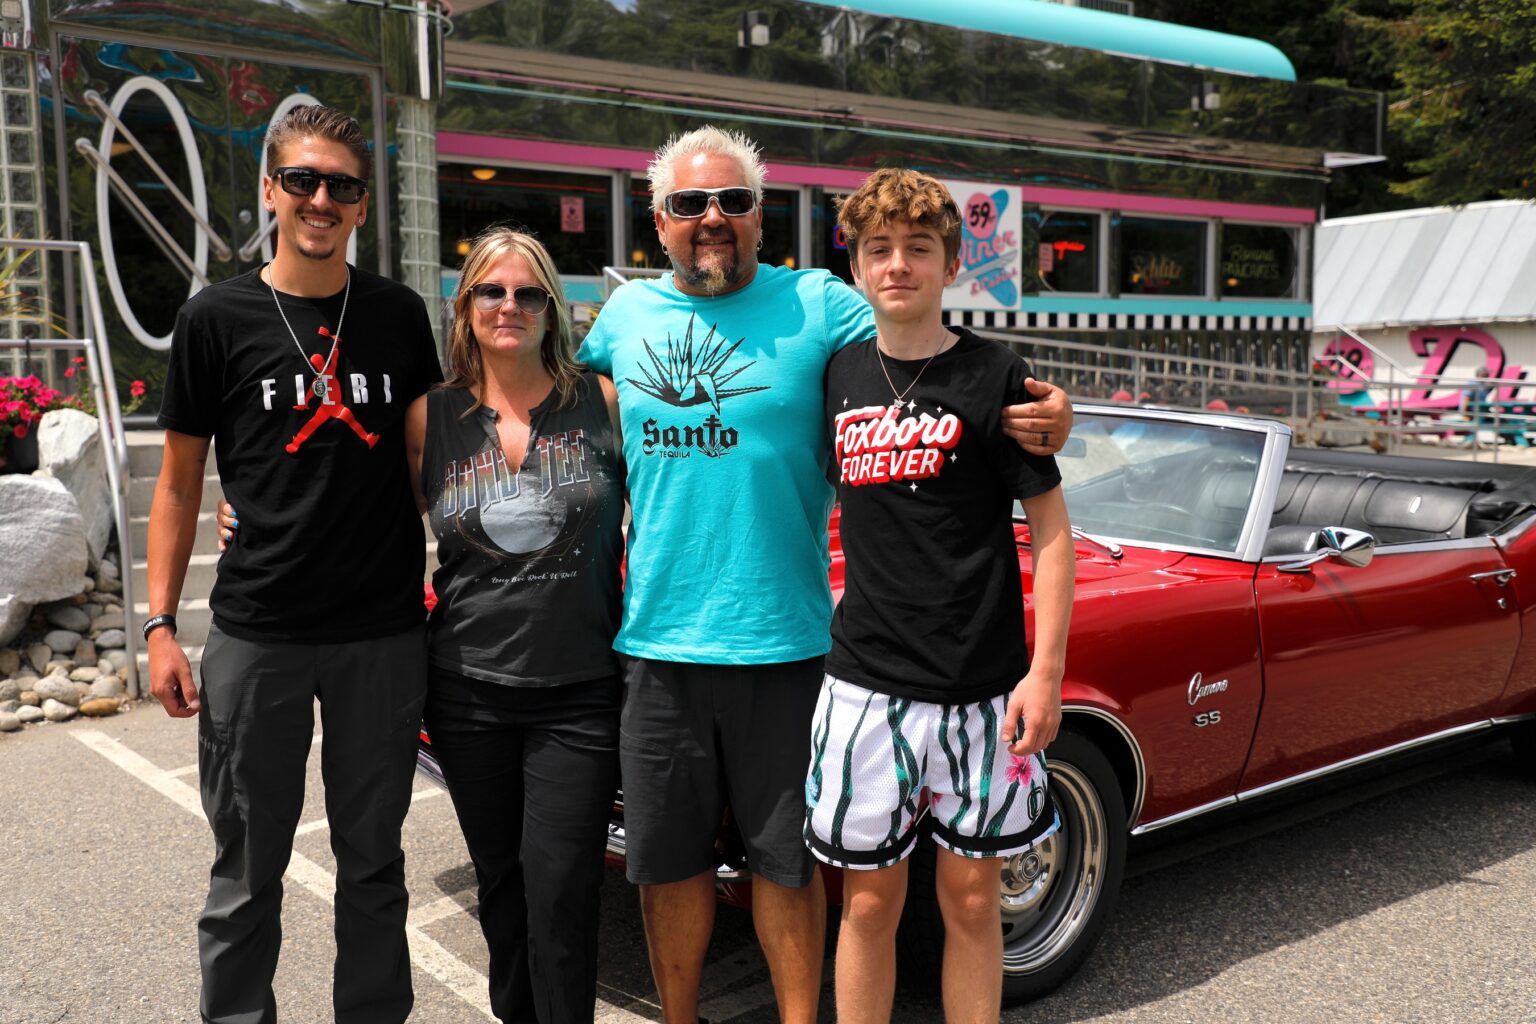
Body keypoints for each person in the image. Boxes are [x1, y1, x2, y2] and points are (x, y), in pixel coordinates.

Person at [576, 125, 1074, 1024]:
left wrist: (1050, 406)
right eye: (690, 203)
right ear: (659, 221)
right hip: (659, 643)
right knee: (668, 866)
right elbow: (555, 404)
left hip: (792, 645)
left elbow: (925, 336)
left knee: (791, 866)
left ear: (759, 213)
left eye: (732, 200)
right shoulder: (622, 319)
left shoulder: (819, 306)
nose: (712, 217)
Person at [145, 104, 442, 1024]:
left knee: (374, 864)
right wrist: (159, 625)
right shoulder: (214, 318)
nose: (322, 199)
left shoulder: (397, 315)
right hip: (257, 632)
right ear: (271, 190)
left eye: (341, 186)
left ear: (362, 204)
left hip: (380, 634)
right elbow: (178, 485)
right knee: (245, 868)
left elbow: (429, 464)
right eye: (304, 180)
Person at [806, 168, 1073, 1024]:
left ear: (952, 264)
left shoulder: (997, 375)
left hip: (983, 688)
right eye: (879, 249)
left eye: (919, 248)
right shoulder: (835, 375)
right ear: (856, 267)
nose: (898, 265)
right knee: (867, 904)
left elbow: (1053, 532)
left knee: (972, 900)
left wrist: (1046, 673)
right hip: (866, 683)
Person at [407, 227, 625, 1023]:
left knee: (563, 888)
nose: (510, 306)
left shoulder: (602, 403)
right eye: (491, 292)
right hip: (468, 691)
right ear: (465, 306)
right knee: (502, 887)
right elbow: (366, 526)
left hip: (580, 689)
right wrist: (246, 517)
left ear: (552, 309)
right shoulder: (429, 417)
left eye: (528, 293)